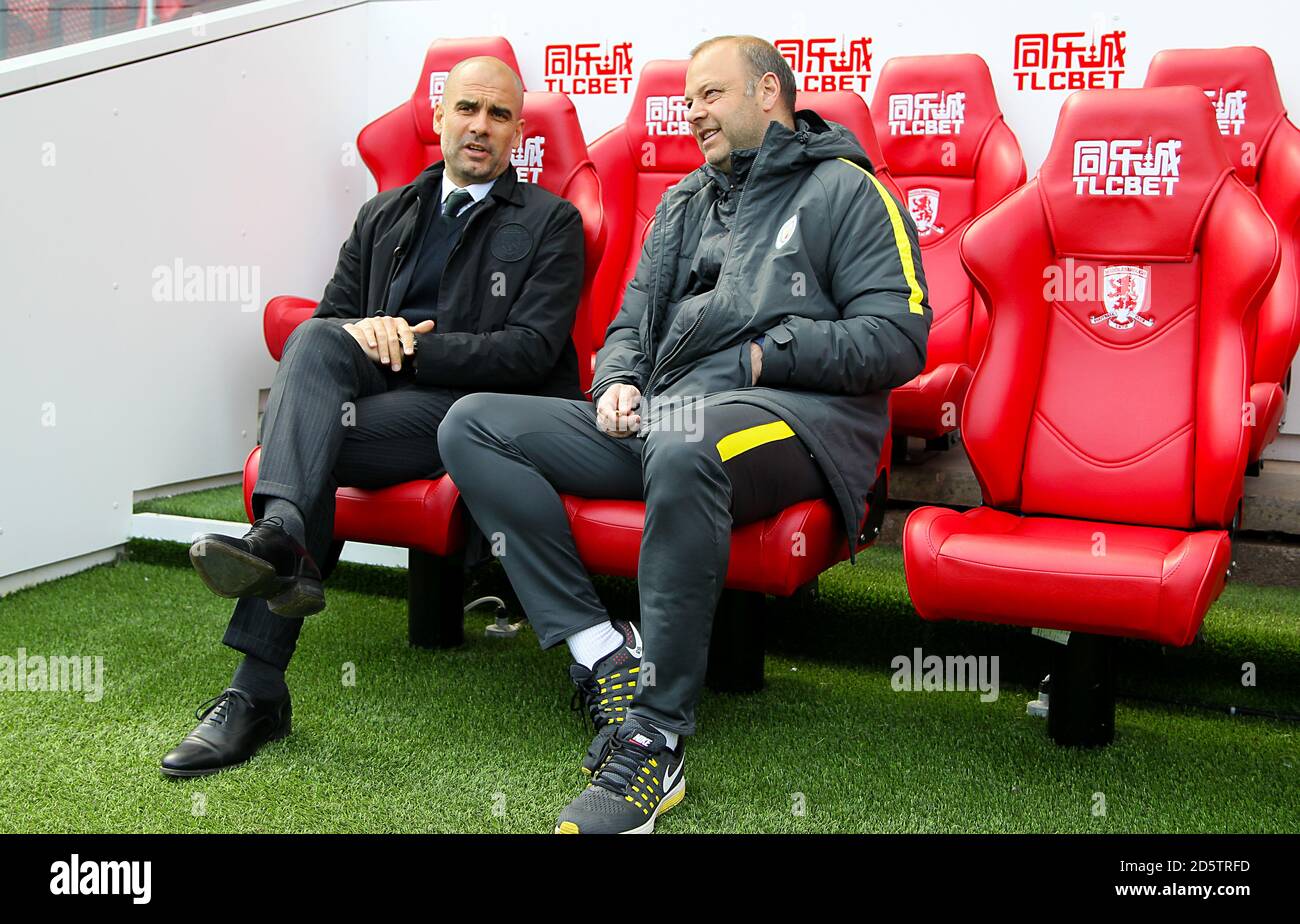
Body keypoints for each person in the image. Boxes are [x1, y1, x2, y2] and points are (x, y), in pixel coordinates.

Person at [437, 35, 932, 833]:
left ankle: (656, 737)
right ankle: (603, 651)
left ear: (769, 92)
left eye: (709, 95)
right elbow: (631, 322)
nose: (691, 112)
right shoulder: (681, 202)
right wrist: (620, 380)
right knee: (473, 425)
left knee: (686, 438)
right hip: (667, 419)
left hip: (794, 421)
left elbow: (900, 336)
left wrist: (767, 356)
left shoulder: (846, 190)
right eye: (688, 98)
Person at [160, 56, 586, 778]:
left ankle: (256, 686)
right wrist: (365, 332)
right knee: (318, 340)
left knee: (306, 445)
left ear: (518, 133)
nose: (480, 126)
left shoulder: (552, 222)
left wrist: (415, 350)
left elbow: (532, 352)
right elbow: (329, 328)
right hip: (381, 410)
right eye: (467, 109)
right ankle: (283, 541)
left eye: (500, 115)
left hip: (477, 415)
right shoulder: (383, 214)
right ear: (440, 117)